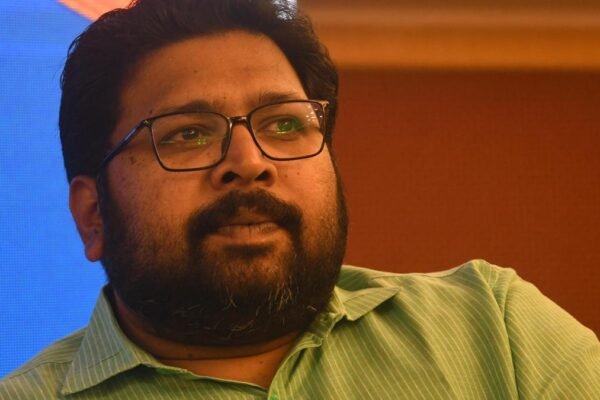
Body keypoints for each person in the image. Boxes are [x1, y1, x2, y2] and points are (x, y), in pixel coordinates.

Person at [1, 0, 598, 398]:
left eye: (285, 124)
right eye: (186, 134)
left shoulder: (498, 327)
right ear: (93, 215)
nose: (249, 162)